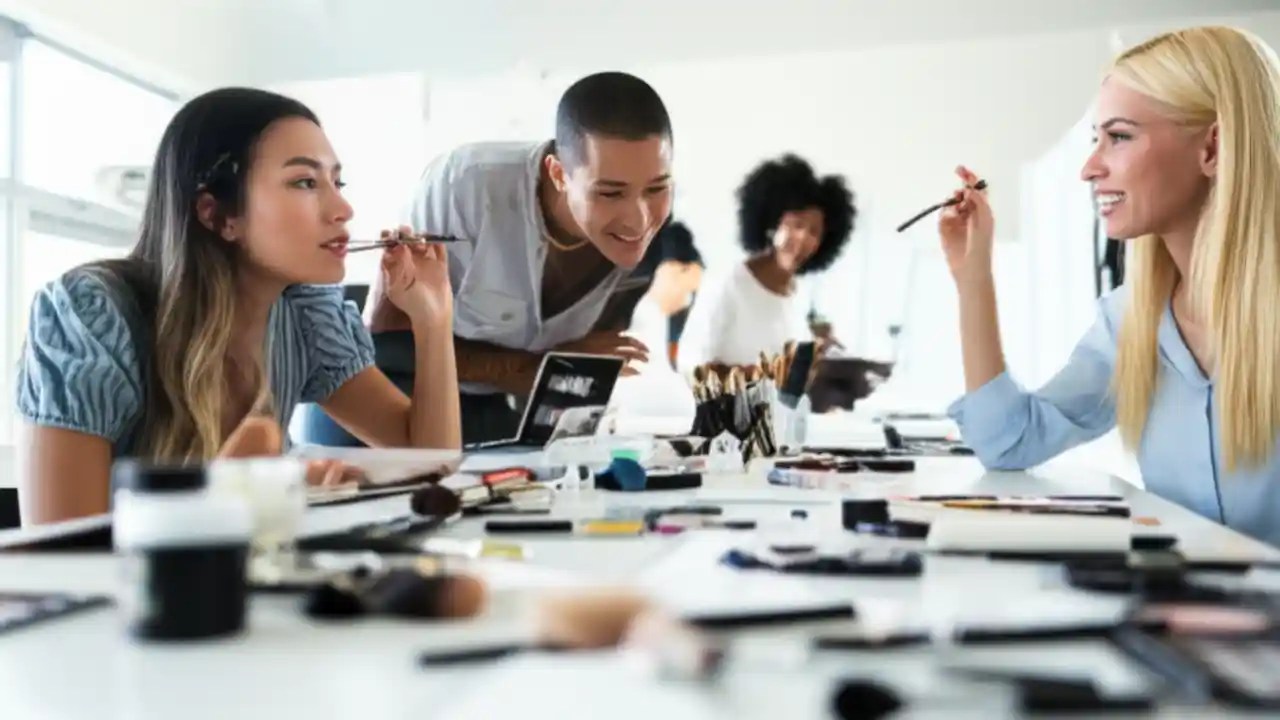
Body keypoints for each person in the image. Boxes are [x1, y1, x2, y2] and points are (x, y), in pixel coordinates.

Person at [16, 87, 461, 525]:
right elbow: (62, 554)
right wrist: (246, 499)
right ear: (217, 215)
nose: (343, 208)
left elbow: (430, 464)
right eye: (305, 182)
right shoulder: (89, 317)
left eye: (336, 182)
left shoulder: (304, 311)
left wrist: (433, 316)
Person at [944, 26, 1280, 546]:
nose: (1089, 168)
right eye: (1095, 138)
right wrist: (973, 278)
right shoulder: (1131, 320)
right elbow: (1008, 441)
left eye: (1119, 136)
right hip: (1181, 618)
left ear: (1213, 148)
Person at [305, 71, 673, 445]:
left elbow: (582, 367)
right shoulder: (464, 187)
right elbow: (388, 341)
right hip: (385, 407)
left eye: (658, 188)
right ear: (559, 174)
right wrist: (536, 368)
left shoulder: (649, 239)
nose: (639, 220)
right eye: (610, 193)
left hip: (501, 412)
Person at [676, 154, 855, 375]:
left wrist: (819, 358)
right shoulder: (728, 284)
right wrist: (762, 374)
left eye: (814, 231)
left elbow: (789, 383)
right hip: (723, 409)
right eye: (797, 224)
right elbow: (691, 365)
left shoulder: (798, 296)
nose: (803, 237)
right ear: (773, 222)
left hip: (778, 410)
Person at [607, 220, 704, 423]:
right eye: (690, 291)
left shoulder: (656, 320)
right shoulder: (637, 319)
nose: (688, 300)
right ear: (674, 269)